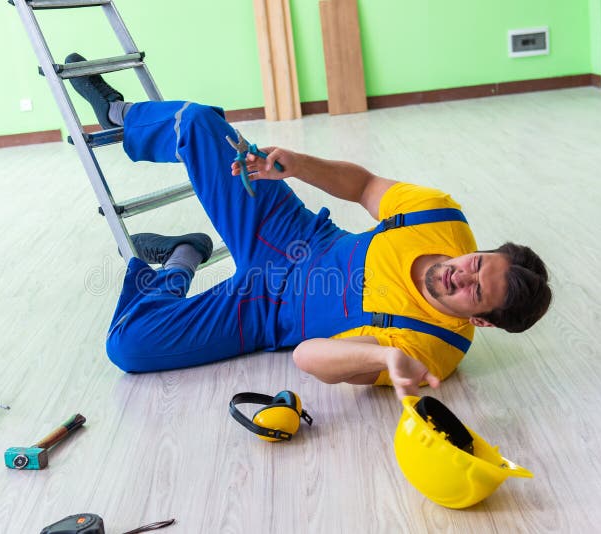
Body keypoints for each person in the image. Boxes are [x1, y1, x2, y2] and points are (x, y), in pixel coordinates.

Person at [65, 54, 552, 399]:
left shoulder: (432, 348)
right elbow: (363, 186)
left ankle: (183, 258)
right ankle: (121, 115)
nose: (460, 273)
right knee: (196, 122)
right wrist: (296, 164)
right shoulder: (439, 217)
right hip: (291, 234)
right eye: (478, 262)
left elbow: (309, 357)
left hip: (264, 311)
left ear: (480, 321)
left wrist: (382, 361)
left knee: (127, 346)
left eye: (474, 291)